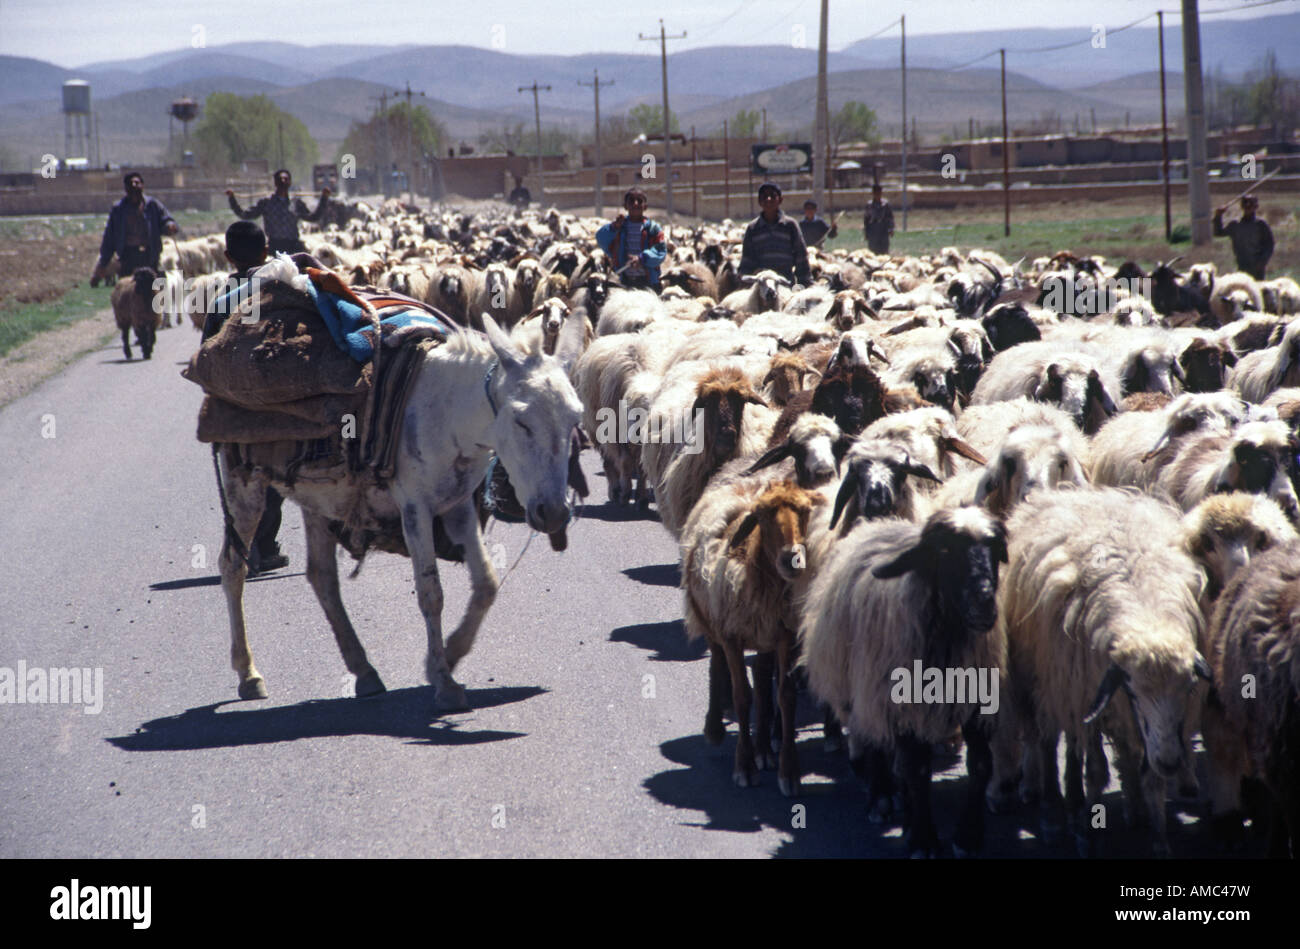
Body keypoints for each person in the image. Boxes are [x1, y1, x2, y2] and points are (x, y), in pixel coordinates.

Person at [201, 221, 289, 576]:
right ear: (266, 253)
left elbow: (205, 356)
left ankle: (244, 545)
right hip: (279, 402)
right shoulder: (282, 290)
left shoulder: (222, 304)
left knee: (238, 474)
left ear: (227, 257)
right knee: (274, 476)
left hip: (235, 405)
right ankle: (264, 547)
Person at [90, 172, 178, 287]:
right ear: (126, 188)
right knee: (128, 291)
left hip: (149, 255)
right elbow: (109, 238)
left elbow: (166, 219)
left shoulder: (153, 205)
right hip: (128, 256)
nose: (134, 185)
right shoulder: (119, 210)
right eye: (130, 183)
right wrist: (103, 264)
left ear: (143, 185)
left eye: (137, 183)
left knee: (154, 291)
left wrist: (170, 226)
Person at [225, 169, 329, 256]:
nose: (283, 181)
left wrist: (324, 198)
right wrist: (232, 199)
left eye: (286, 179)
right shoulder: (266, 202)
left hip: (294, 247)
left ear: (290, 182)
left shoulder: (296, 203)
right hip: (274, 248)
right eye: (280, 179)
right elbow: (245, 215)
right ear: (275, 182)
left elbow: (313, 217)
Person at [738, 182, 811, 287]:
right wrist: (744, 279)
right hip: (762, 285)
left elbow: (801, 256)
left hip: (785, 282)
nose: (768, 199)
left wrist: (805, 283)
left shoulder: (790, 225)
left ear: (780, 200)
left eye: (772, 196)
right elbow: (747, 259)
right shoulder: (753, 228)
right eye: (764, 196)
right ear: (759, 201)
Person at [595, 187, 667, 291]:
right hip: (623, 281)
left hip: (647, 282)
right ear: (625, 206)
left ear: (645, 206)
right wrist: (614, 227)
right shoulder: (619, 227)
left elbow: (661, 251)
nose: (636, 203)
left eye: (640, 201)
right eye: (631, 200)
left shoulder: (653, 228)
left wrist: (642, 258)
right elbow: (601, 238)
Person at [1213, 194, 1274, 280]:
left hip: (1257, 268)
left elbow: (1269, 245)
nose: (1248, 205)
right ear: (1241, 206)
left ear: (1256, 206)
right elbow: (1218, 233)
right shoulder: (1235, 224)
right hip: (1242, 266)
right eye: (1245, 203)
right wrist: (1218, 216)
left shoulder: (1261, 224)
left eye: (1251, 203)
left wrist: (1262, 262)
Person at [863, 184, 894, 255]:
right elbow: (866, 219)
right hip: (873, 228)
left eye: (879, 193)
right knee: (873, 251)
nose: (877, 195)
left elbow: (890, 217)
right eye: (875, 193)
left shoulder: (885, 204)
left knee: (884, 249)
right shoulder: (869, 205)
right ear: (873, 194)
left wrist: (891, 229)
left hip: (883, 228)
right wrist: (866, 232)